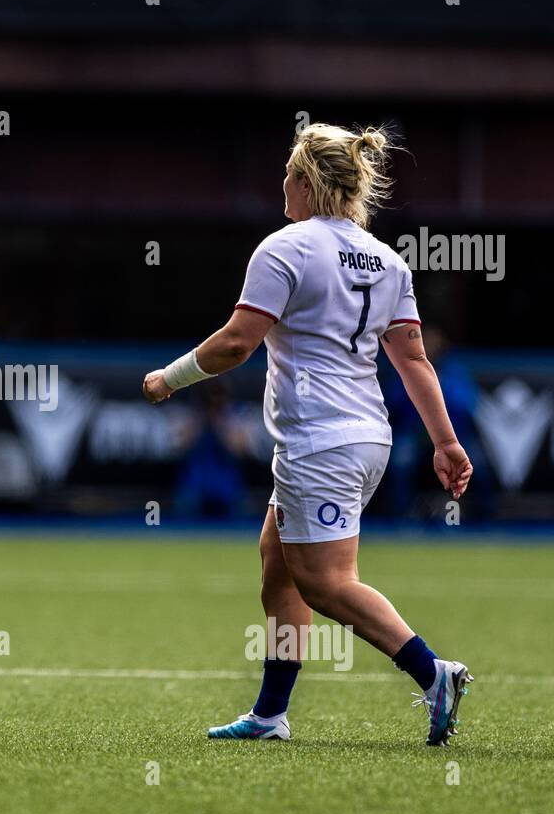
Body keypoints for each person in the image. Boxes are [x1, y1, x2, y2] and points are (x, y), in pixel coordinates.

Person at [141, 123, 474, 746]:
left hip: (321, 442)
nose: (282, 188)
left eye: (288, 176)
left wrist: (170, 378)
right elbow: (413, 361)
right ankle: (270, 714)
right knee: (279, 568)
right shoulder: (387, 260)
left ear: (307, 181)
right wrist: (447, 442)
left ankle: (435, 674)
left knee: (325, 581)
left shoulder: (287, 247)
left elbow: (238, 342)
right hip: (364, 436)